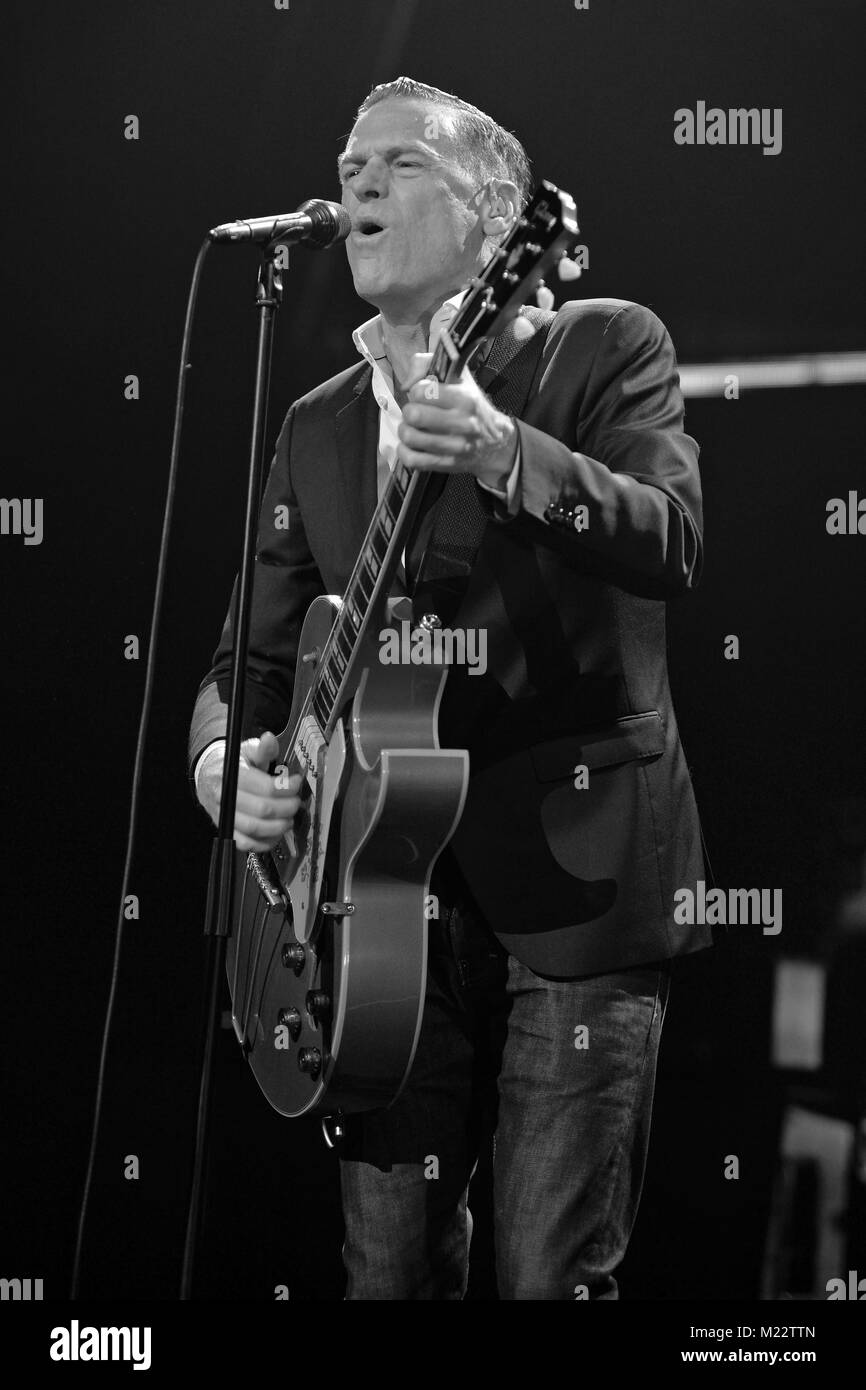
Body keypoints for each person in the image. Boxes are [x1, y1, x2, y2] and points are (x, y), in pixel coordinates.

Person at [187, 76, 711, 1300]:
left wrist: (499, 451)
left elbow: (671, 537)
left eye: (397, 164)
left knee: (548, 1275)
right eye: (348, 161)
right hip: (366, 921)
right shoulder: (316, 423)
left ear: (495, 213)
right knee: (388, 1275)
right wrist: (230, 770)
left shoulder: (604, 345)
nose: (355, 181)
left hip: (571, 891)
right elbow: (245, 670)